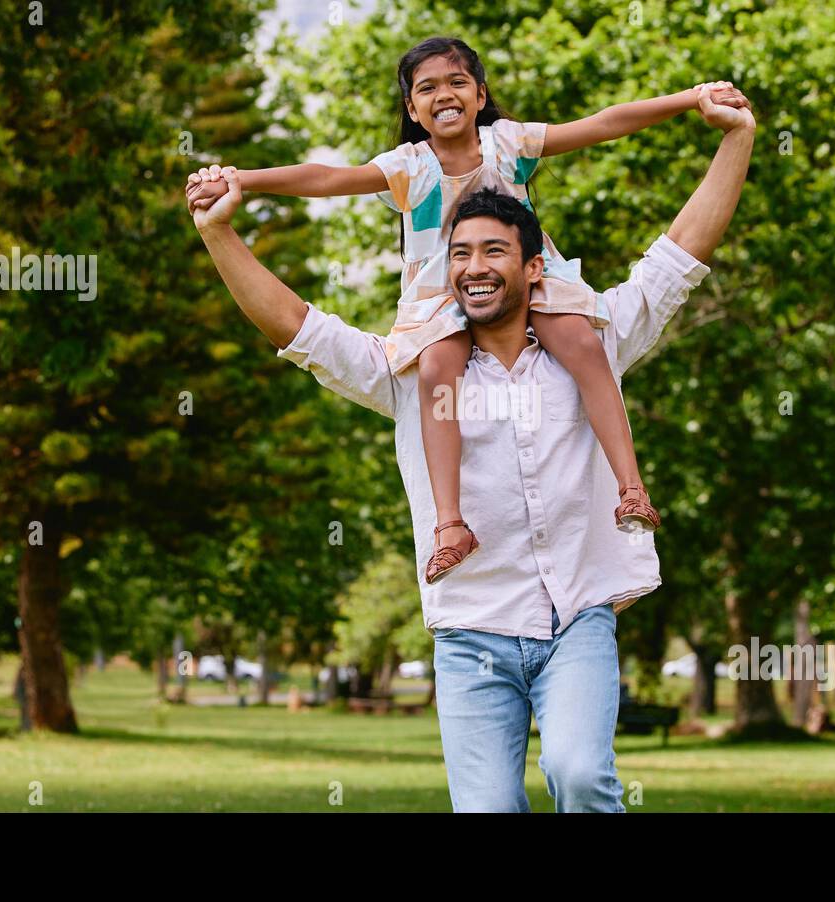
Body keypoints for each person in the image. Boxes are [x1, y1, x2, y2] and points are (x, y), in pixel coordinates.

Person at [186, 82, 756, 812]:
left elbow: (678, 257)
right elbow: (299, 328)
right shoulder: (412, 371)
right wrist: (219, 233)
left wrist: (735, 137)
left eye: (494, 251)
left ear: (533, 268)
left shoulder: (593, 344)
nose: (476, 266)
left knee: (581, 778)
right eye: (460, 254)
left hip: (577, 617)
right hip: (471, 634)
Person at [187, 36, 750, 583]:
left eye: (458, 81)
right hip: (439, 296)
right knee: (436, 372)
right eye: (427, 88)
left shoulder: (509, 142)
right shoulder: (409, 166)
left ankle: (631, 488)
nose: (444, 94)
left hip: (536, 279)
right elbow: (327, 178)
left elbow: (602, 124)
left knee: (583, 344)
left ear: (480, 94)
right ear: (412, 107)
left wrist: (689, 98)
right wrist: (242, 180)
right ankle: (450, 525)